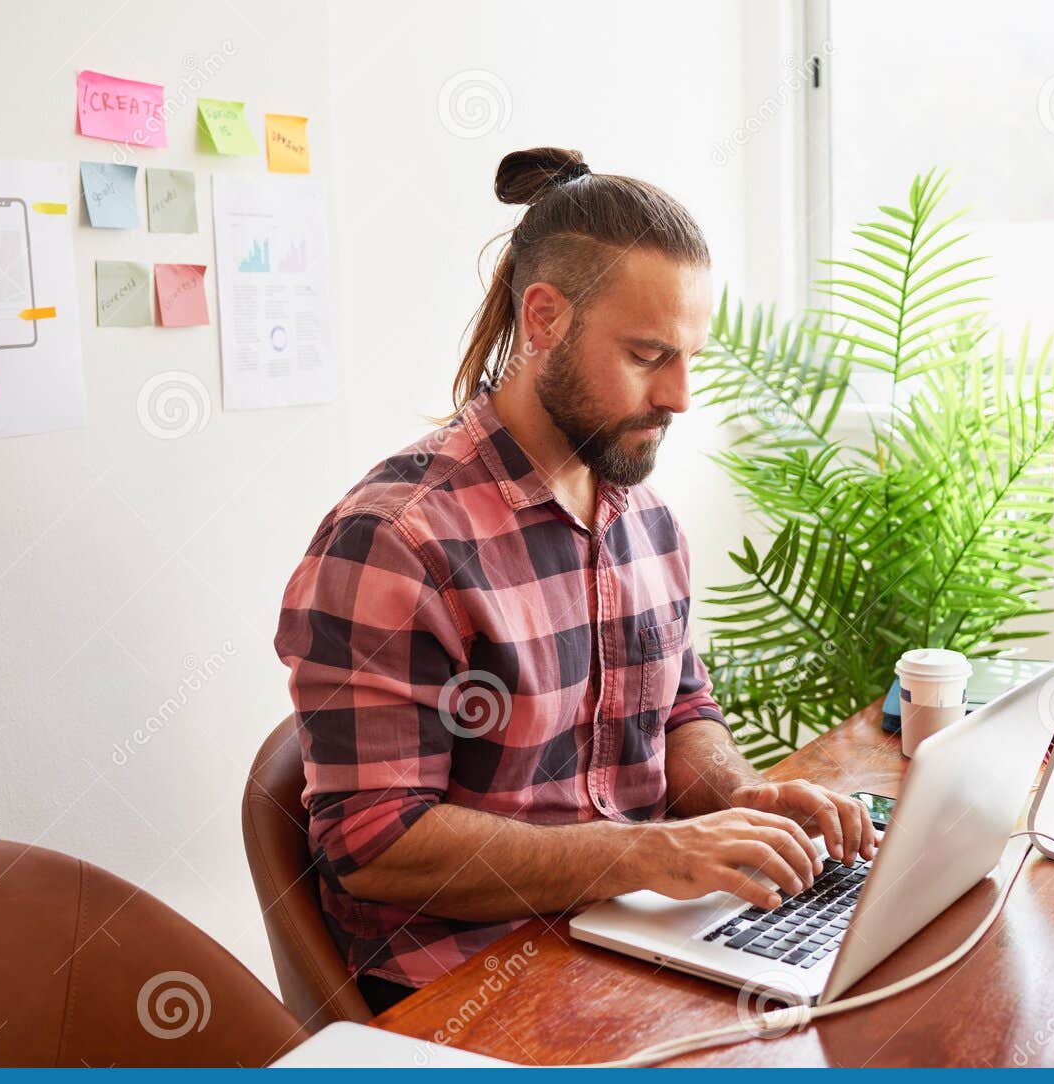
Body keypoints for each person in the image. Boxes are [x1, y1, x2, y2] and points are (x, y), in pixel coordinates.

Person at [276, 146, 874, 1016]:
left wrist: (738, 800)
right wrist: (650, 856)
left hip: (626, 941)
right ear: (545, 319)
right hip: (465, 992)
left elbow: (679, 710)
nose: (679, 396)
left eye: (690, 357)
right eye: (647, 354)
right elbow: (375, 843)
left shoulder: (646, 519)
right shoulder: (397, 539)